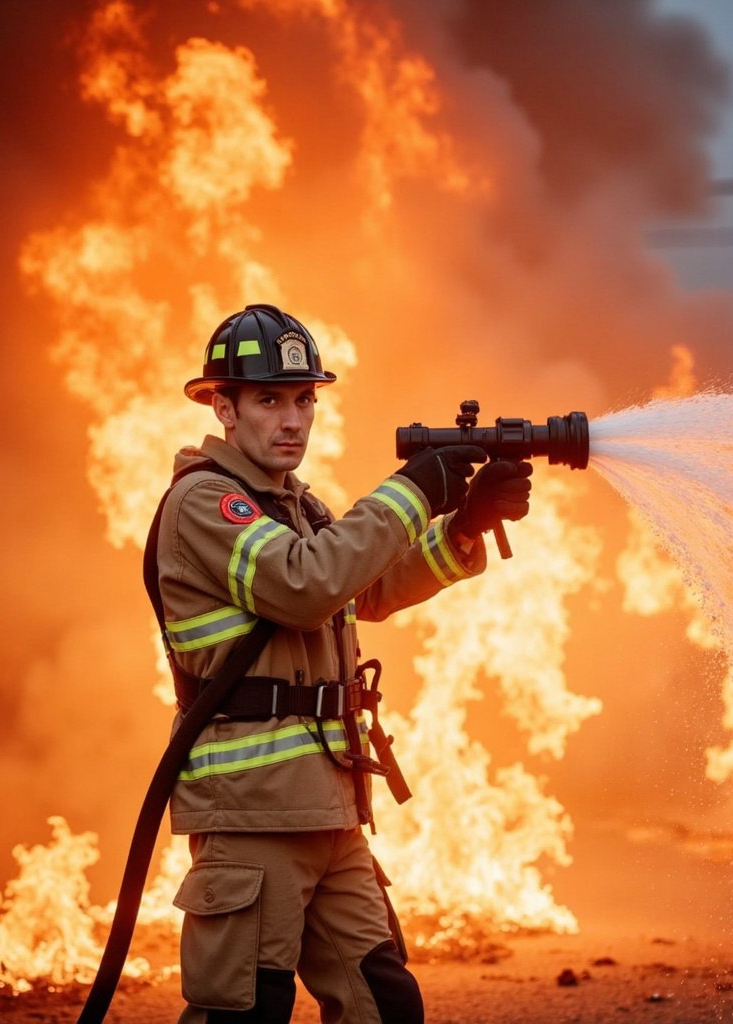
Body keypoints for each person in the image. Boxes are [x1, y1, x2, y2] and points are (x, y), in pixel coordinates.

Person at [154, 303, 532, 1024]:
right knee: (244, 1014)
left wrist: (464, 524)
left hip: (330, 812)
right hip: (255, 817)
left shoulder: (297, 507)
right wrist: (413, 490)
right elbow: (306, 585)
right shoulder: (207, 503)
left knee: (385, 1005)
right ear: (223, 408)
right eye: (268, 399)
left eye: (304, 400)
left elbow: (369, 587)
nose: (292, 419)